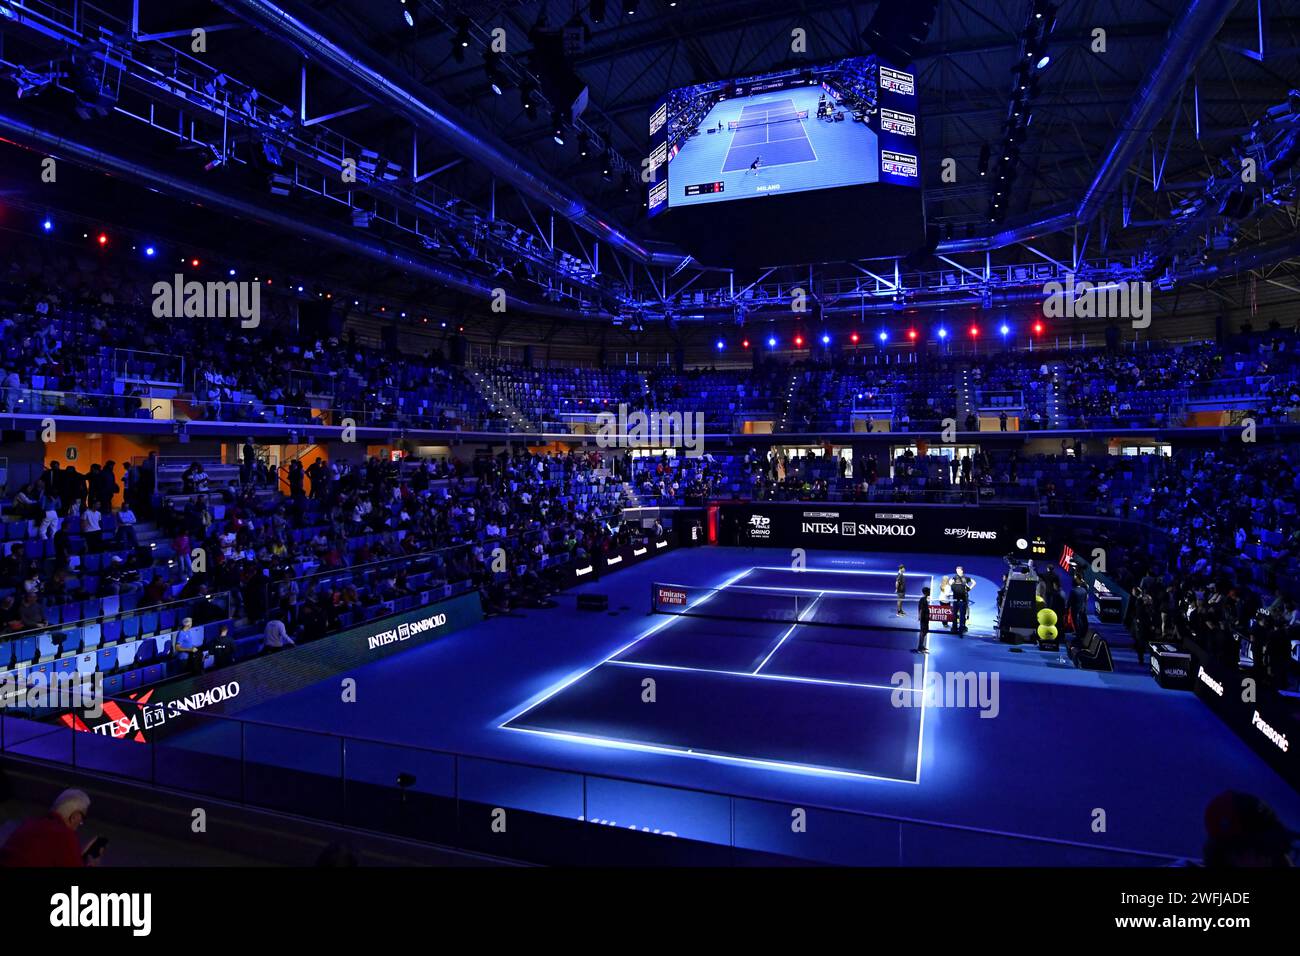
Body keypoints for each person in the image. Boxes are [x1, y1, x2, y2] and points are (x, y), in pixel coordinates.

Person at [0, 788, 104, 867]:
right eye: (81, 820)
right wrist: (92, 864)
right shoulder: (66, 836)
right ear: (74, 817)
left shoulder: (28, 824)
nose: (80, 824)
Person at [951, 565, 974, 635]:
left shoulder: (966, 578)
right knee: (954, 614)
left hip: (963, 599)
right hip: (955, 599)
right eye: (956, 571)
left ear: (962, 571)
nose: (957, 572)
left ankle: (962, 627)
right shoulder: (954, 578)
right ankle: (954, 627)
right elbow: (950, 583)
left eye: (958, 570)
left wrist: (969, 588)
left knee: (962, 614)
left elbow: (974, 582)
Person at [915, 586, 931, 654]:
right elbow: (921, 609)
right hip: (923, 618)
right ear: (926, 592)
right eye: (929, 591)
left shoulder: (925, 599)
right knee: (922, 632)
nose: (930, 592)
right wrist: (919, 617)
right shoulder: (922, 600)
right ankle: (920, 648)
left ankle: (922, 646)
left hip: (926, 618)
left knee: (925, 632)